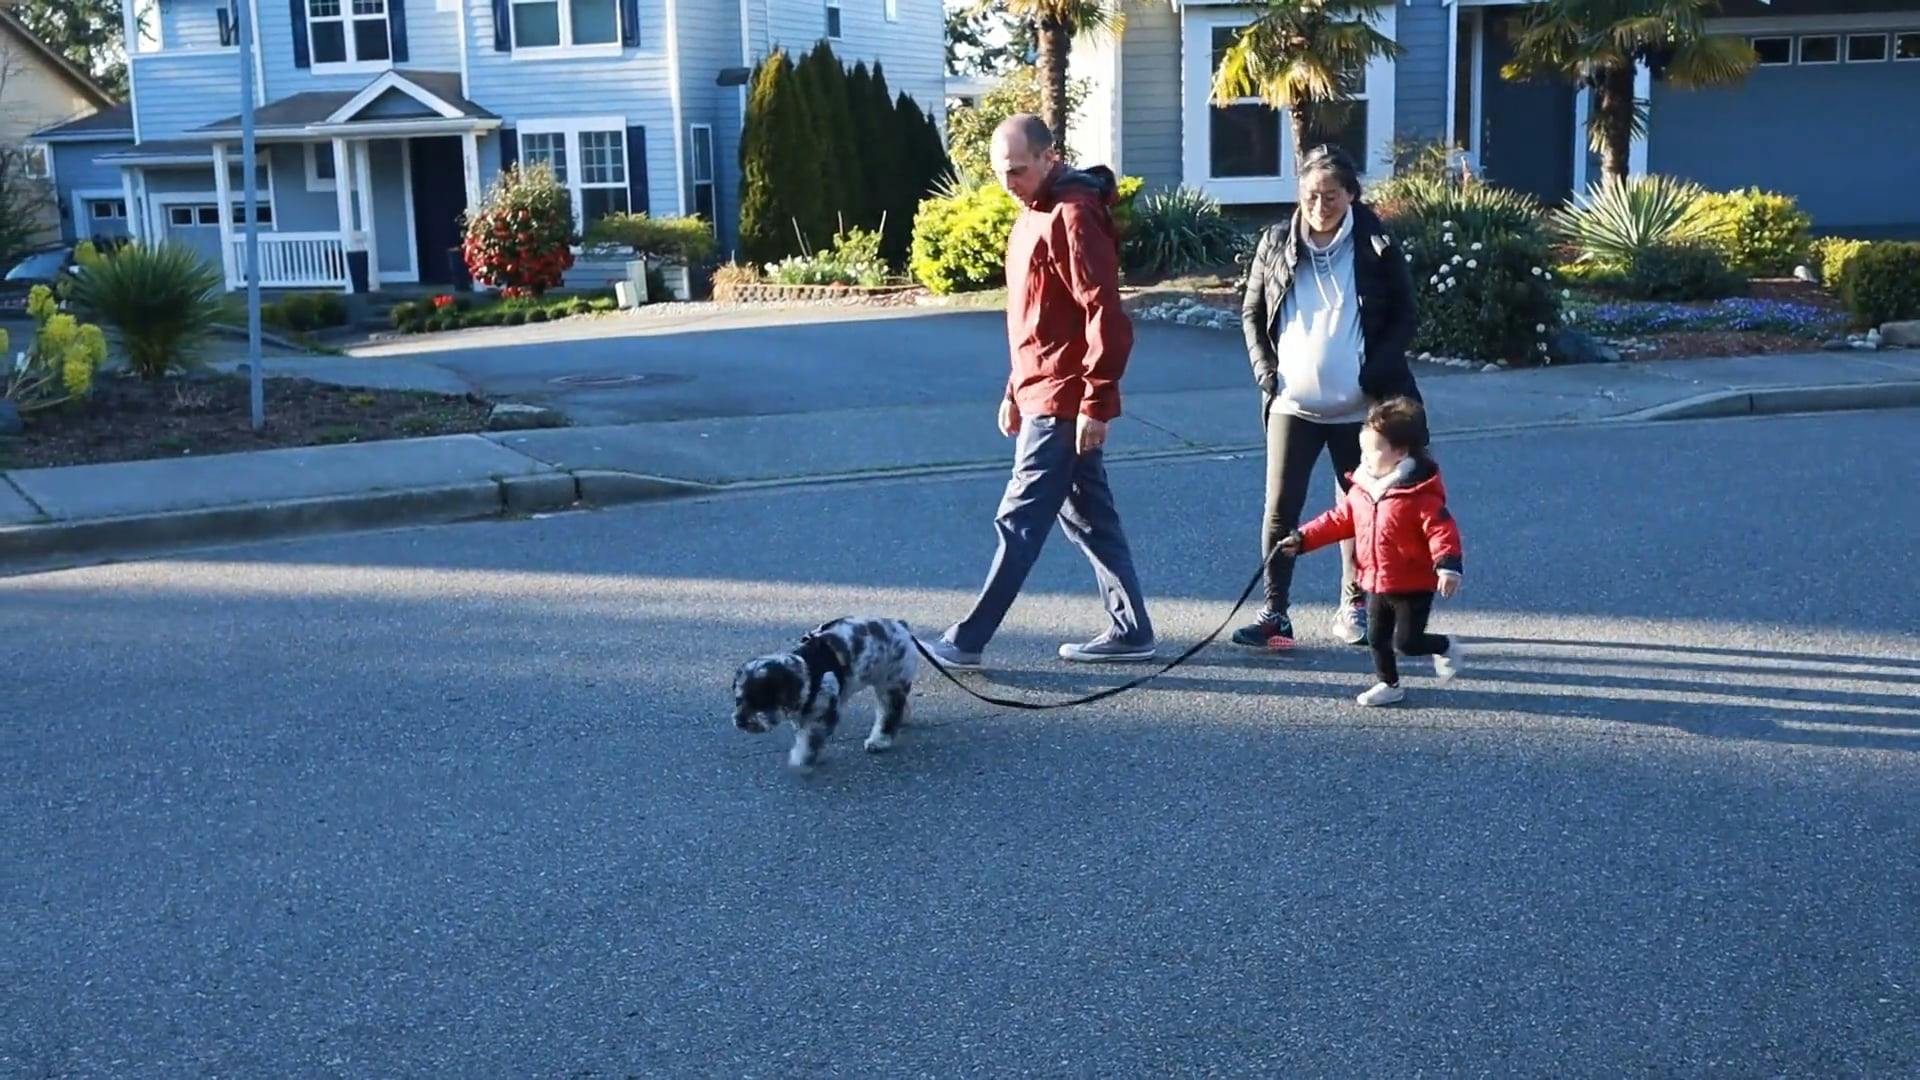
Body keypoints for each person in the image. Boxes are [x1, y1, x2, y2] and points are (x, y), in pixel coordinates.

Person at [919, 113, 1156, 670]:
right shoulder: (1032, 213)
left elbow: (1105, 313)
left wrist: (1097, 402)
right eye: (1001, 172)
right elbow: (1035, 319)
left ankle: (968, 640)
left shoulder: (1073, 213)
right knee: (1089, 518)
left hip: (1064, 400)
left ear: (1051, 157)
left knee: (1020, 517)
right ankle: (1132, 631)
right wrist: (1012, 389)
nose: (1009, 183)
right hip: (1040, 393)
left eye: (1019, 171)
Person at [1232, 144, 1421, 652]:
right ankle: (1276, 612)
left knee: (1360, 511)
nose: (1320, 207)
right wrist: (1265, 374)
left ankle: (1354, 604)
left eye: (1331, 197)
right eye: (1311, 196)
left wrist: (1377, 368)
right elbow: (1252, 313)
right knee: (1280, 511)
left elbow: (1405, 313)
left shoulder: (1375, 244)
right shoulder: (1276, 242)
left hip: (1360, 411)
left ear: (1352, 196)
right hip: (1293, 406)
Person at [1280, 397, 1463, 707]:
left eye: (1373, 450)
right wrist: (1303, 539)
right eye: (1362, 449)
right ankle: (1388, 684)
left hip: (1413, 583)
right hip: (1375, 579)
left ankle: (1444, 645)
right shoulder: (1363, 488)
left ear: (1401, 452)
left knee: (1406, 642)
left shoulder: (1418, 494)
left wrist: (1447, 565)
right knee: (1377, 638)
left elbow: (1441, 530)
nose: (1364, 457)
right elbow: (1339, 520)